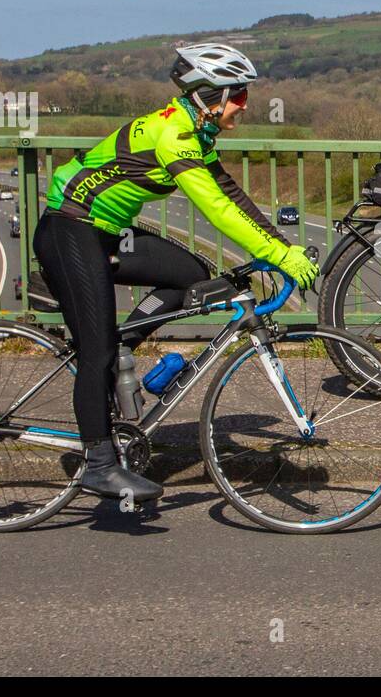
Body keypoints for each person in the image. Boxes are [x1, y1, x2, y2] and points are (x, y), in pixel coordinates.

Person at [33, 43, 318, 503]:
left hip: (107, 232)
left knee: (192, 274)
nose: (243, 106)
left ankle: (121, 343)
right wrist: (279, 257)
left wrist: (282, 248)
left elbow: (235, 196)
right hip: (69, 229)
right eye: (237, 95)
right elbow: (218, 211)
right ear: (207, 96)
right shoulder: (174, 137)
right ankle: (99, 463)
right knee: (96, 351)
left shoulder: (195, 132)